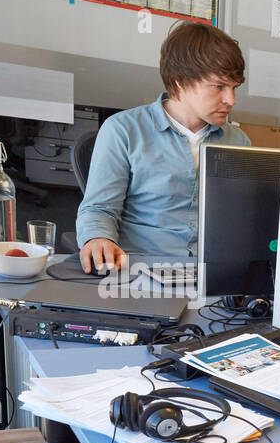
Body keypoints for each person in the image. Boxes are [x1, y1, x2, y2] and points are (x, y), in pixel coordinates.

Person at [76, 21, 250, 273]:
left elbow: (242, 218)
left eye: (234, 88)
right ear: (180, 82)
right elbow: (99, 208)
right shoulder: (123, 130)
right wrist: (98, 238)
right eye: (219, 86)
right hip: (141, 268)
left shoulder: (238, 142)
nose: (231, 100)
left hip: (211, 272)